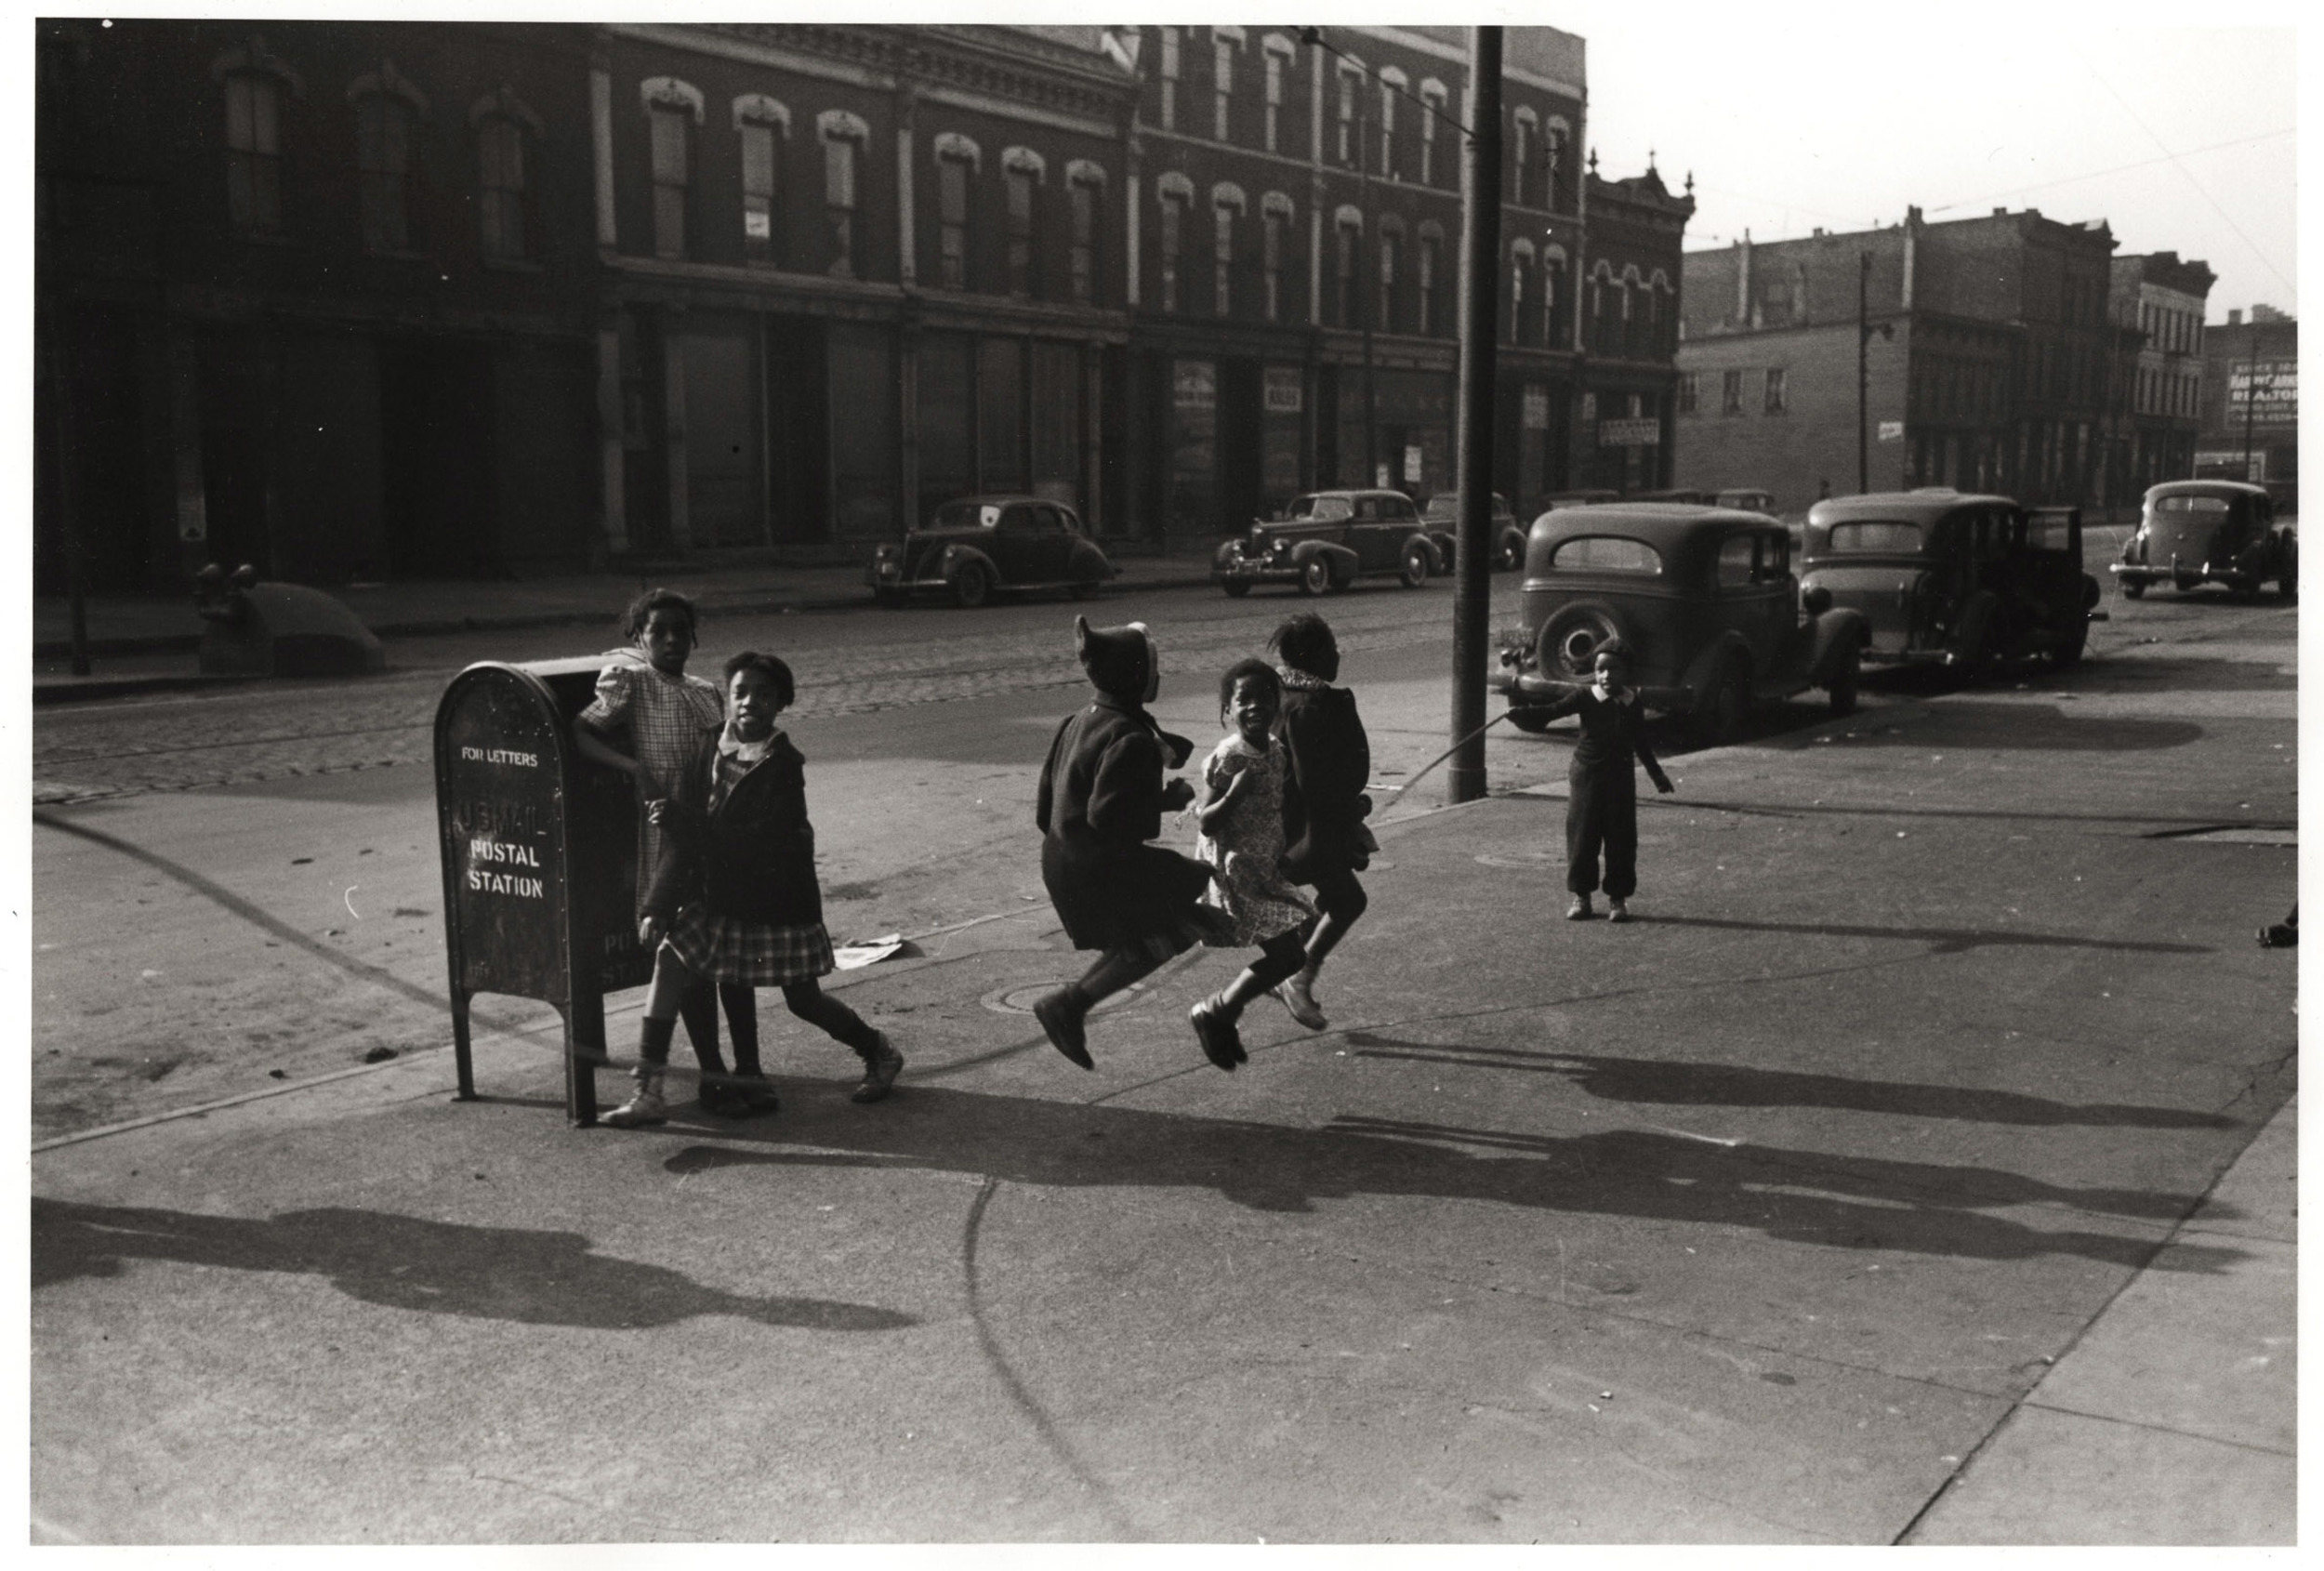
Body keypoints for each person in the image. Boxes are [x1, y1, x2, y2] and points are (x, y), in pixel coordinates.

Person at [603, 651, 903, 1128]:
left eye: (763, 695)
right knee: (669, 957)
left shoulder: (783, 766)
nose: (750, 703)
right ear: (727, 697)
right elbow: (679, 840)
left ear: (781, 703)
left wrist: (688, 823)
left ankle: (879, 1052)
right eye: (741, 692)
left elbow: (758, 845)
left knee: (804, 1000)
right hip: (718, 897)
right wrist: (656, 905)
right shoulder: (706, 749)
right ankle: (649, 1090)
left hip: (775, 901)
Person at [569, 588, 757, 1111]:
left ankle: (744, 1072)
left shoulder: (703, 690)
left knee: (721, 947)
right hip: (667, 831)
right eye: (658, 632)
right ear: (639, 638)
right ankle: (712, 1071)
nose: (672, 640)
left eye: (681, 631)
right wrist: (635, 769)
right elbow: (582, 732)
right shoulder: (631, 681)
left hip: (709, 828)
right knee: (685, 957)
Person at [1032, 617, 1239, 1072]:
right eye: (1152, 669)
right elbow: (1111, 818)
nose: (1158, 678)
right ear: (1135, 677)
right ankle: (1068, 1003)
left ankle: (1069, 1005)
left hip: (1061, 858)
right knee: (1173, 928)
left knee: (1139, 934)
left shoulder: (1078, 721)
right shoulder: (1132, 738)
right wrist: (1162, 801)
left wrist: (1155, 799)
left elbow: (1049, 804)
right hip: (1097, 865)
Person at [1186, 659, 1319, 1065]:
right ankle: (1217, 1011)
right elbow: (1206, 821)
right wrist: (1234, 795)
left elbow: (1277, 806)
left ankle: (1221, 1012)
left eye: (1264, 698)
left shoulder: (1276, 751)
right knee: (1290, 956)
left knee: (1302, 934)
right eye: (1244, 700)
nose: (1254, 707)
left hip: (1264, 868)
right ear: (1228, 708)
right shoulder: (1229, 756)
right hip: (1236, 873)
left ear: (1277, 704)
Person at [1271, 614, 1376, 1030]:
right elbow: (1315, 781)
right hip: (1309, 828)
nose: (1337, 655)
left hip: (1292, 824)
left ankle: (1289, 969)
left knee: (1333, 901)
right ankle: (1297, 977)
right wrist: (1352, 809)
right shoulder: (1309, 706)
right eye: (1331, 648)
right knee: (1349, 900)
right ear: (1313, 656)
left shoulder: (1282, 695)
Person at [1533, 638, 1674, 921]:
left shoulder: (1631, 703)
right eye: (1600, 669)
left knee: (1621, 838)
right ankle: (1581, 897)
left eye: (1613, 669)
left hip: (1620, 777)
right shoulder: (1586, 697)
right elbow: (1552, 712)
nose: (1606, 675)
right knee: (1583, 836)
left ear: (1627, 673)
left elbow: (1641, 743)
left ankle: (1617, 900)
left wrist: (1657, 775)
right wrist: (1521, 715)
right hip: (1587, 776)